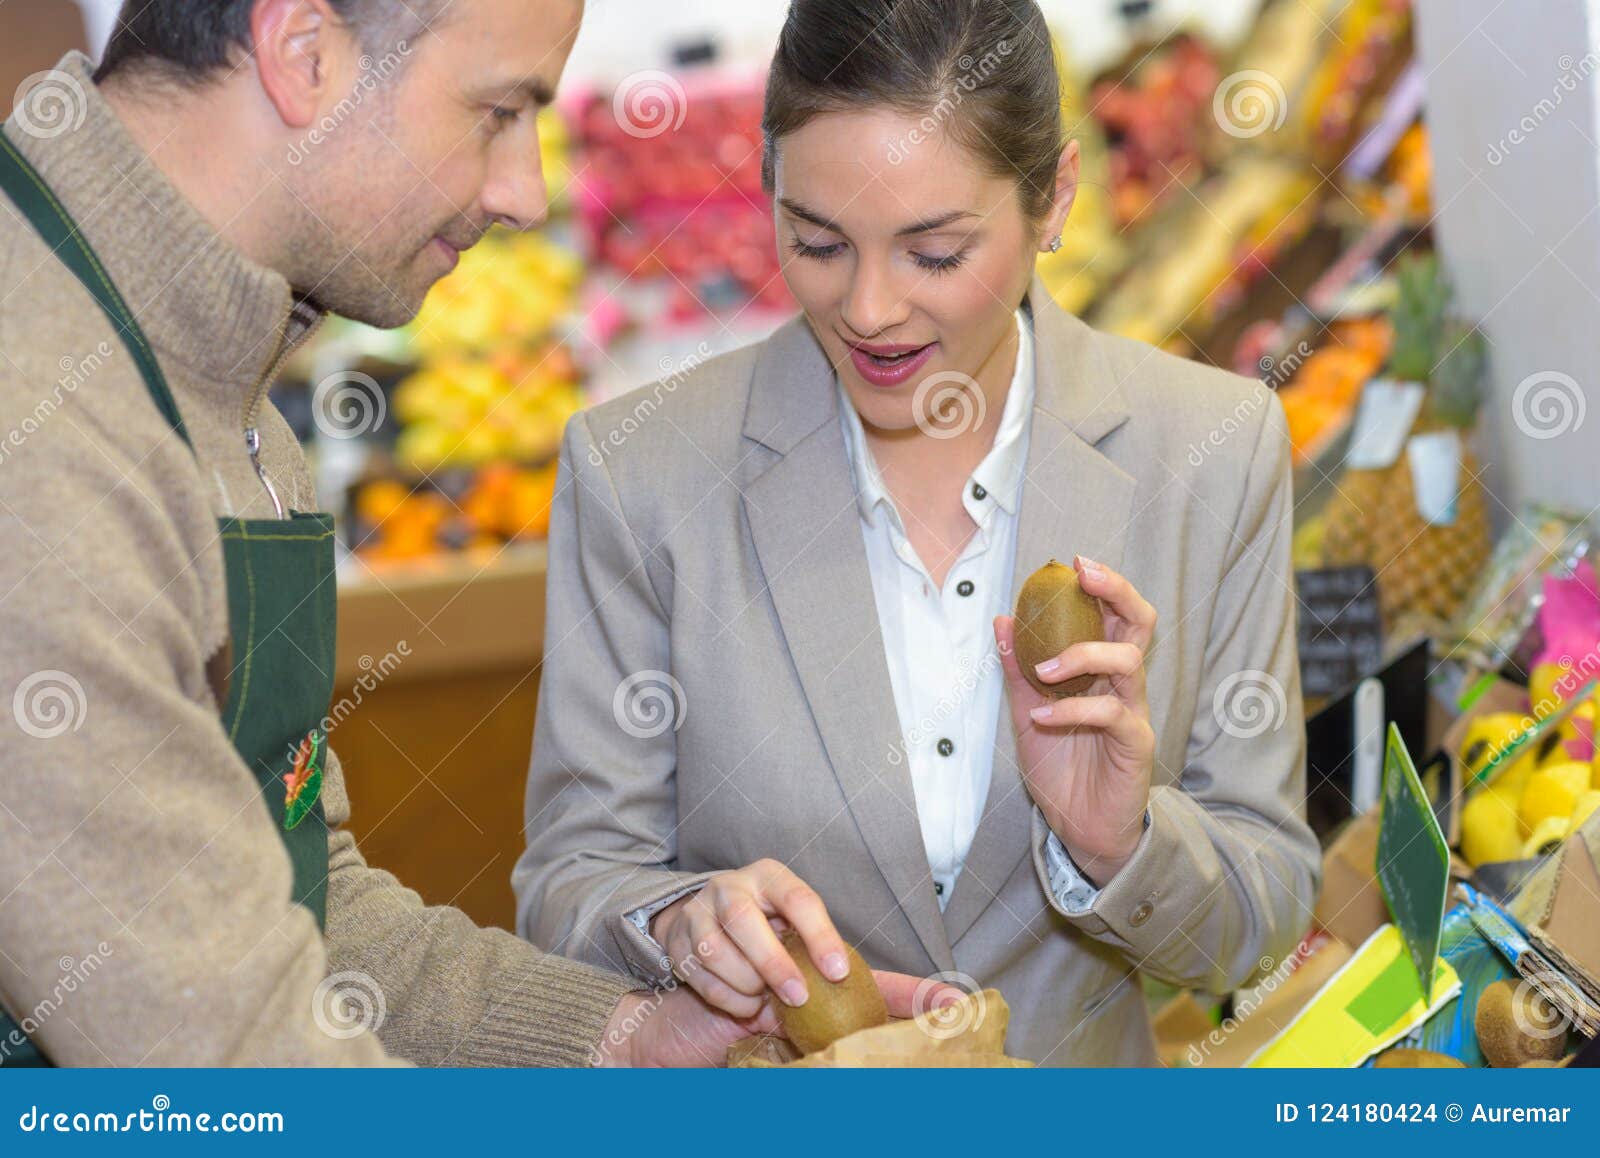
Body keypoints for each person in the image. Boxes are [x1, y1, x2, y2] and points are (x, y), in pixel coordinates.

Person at [0, 0, 938, 1067]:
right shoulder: (40, 423)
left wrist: (624, 1039)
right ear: (305, 54)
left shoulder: (225, 382)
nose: (525, 194)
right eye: (497, 111)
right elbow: (227, 1063)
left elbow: (299, 911)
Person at [516, 0, 1322, 1066]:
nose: (869, 308)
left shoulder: (1211, 447)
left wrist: (1119, 843)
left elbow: (1257, 926)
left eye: (934, 252)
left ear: (1056, 201)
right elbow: (569, 885)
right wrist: (676, 924)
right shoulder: (643, 473)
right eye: (815, 242)